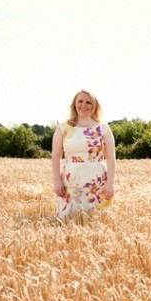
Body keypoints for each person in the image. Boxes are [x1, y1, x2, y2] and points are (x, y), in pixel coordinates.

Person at [51, 90, 115, 219]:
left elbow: (111, 158)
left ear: (94, 106)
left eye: (88, 102)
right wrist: (57, 181)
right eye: (80, 101)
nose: (83, 105)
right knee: (67, 220)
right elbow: (56, 156)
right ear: (74, 104)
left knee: (98, 220)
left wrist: (110, 184)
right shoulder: (63, 127)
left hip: (96, 180)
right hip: (71, 180)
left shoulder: (103, 128)